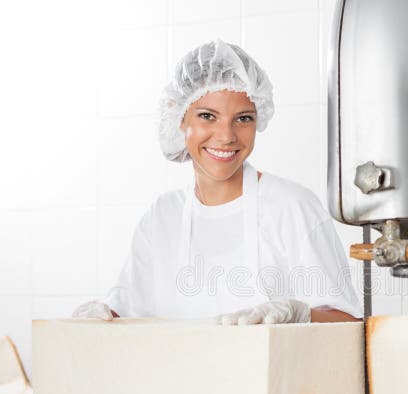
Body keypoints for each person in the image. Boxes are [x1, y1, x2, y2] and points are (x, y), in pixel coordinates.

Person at [73, 40, 361, 325]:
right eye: (207, 116)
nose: (226, 136)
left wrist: (300, 314)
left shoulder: (291, 206)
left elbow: (346, 321)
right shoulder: (162, 216)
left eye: (243, 118)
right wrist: (101, 316)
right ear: (179, 118)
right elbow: (127, 311)